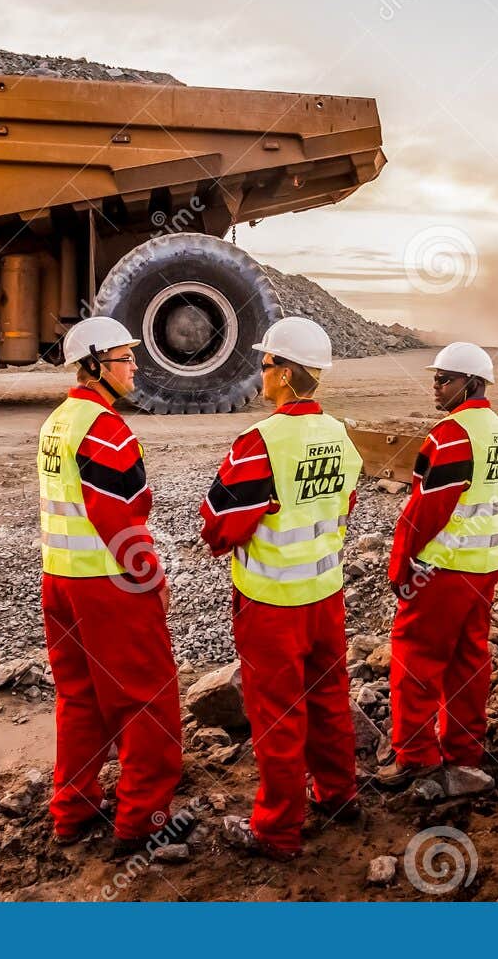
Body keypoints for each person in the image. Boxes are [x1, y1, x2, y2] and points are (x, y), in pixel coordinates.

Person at [200, 317, 363, 859]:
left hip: (271, 606)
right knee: (329, 701)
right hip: (325, 595)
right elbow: (344, 505)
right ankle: (339, 796)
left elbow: (218, 527)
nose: (260, 373)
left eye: (266, 364)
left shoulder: (259, 442)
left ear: (288, 374)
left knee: (278, 717)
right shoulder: (338, 435)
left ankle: (277, 830)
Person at [37, 316, 187, 858]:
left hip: (60, 581)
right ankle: (143, 821)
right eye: (125, 357)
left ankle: (72, 809)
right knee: (147, 699)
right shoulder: (105, 428)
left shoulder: (59, 421)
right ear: (96, 365)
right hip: (108, 585)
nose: (134, 366)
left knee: (80, 699)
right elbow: (117, 517)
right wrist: (150, 576)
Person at [377, 342, 498, 797]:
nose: (434, 387)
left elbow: (426, 509)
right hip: (485, 567)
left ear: (470, 384)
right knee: (469, 659)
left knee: (416, 657)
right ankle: (464, 749)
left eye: (444, 380)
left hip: (442, 570)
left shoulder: (453, 435)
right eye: (435, 378)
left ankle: (416, 757)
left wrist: (401, 564)